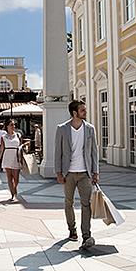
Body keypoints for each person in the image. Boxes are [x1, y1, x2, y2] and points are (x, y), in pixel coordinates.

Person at [54, 100, 99, 250]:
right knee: (69, 203)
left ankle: (86, 235)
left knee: (86, 204)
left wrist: (95, 171)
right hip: (69, 174)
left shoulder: (90, 129)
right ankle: (72, 230)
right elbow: (58, 152)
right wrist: (58, 172)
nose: (85, 112)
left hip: (85, 173)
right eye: (83, 110)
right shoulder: (62, 129)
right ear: (75, 113)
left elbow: (94, 152)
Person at [0, 119, 22, 202]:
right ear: (7, 126)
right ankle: (12, 194)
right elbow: (1, 149)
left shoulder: (18, 135)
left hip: (16, 157)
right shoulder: (3, 137)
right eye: (11, 124)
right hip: (7, 156)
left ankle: (14, 189)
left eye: (14, 125)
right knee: (9, 178)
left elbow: (21, 146)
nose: (13, 126)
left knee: (16, 178)